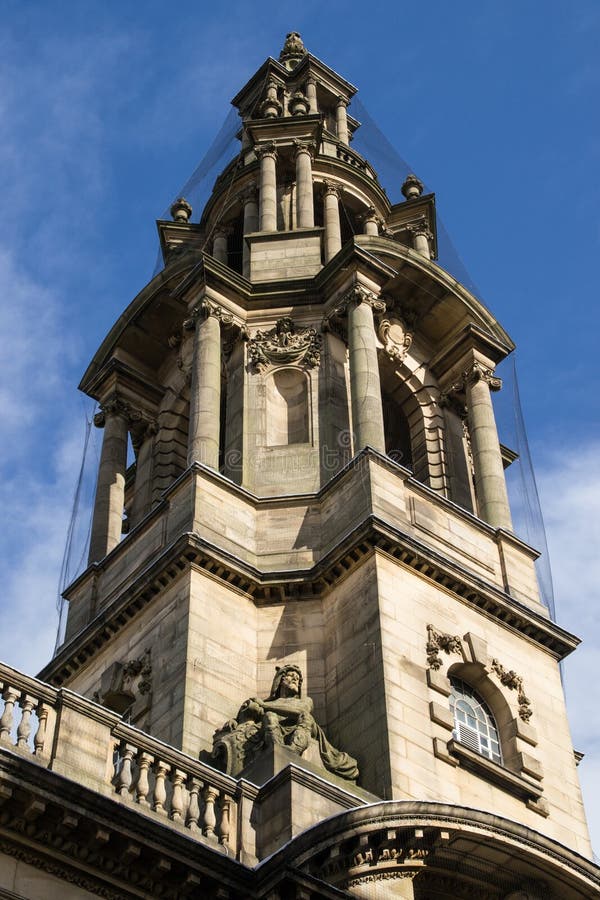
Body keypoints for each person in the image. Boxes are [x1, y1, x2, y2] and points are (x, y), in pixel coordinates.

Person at [212, 665, 359, 781]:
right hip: (275, 731)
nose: (296, 680)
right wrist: (234, 721)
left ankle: (292, 751)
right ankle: (278, 751)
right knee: (270, 717)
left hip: (298, 727)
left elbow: (302, 711)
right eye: (291, 676)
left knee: (306, 718)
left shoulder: (304, 701)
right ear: (281, 680)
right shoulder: (269, 704)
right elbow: (247, 716)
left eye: (298, 679)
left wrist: (264, 706)